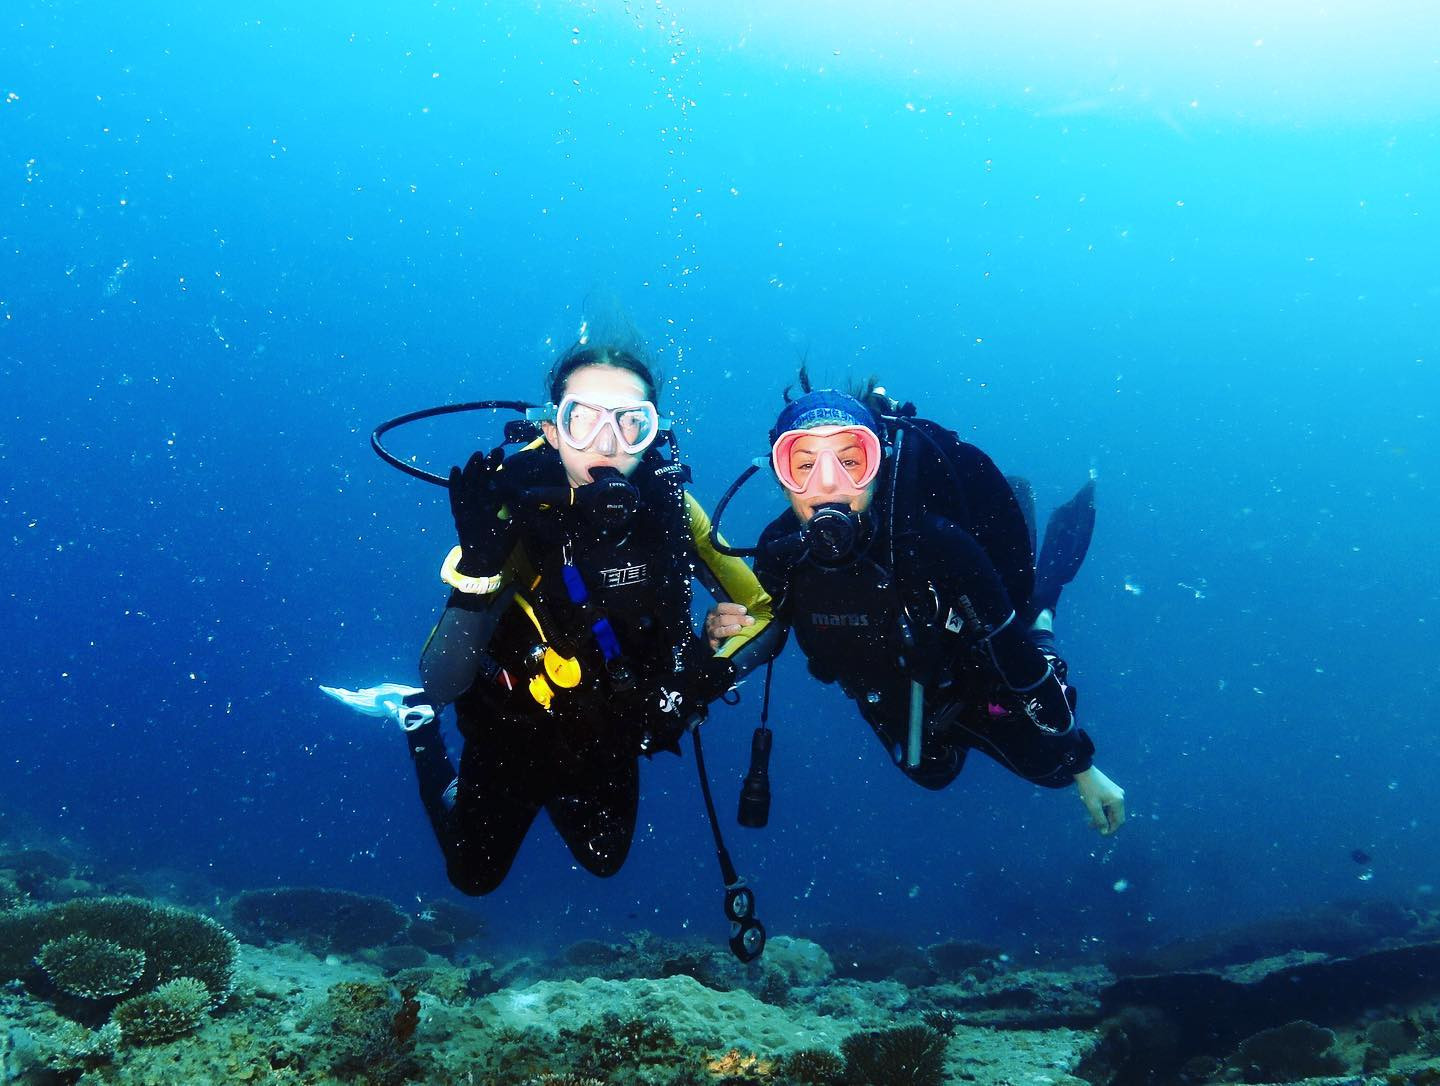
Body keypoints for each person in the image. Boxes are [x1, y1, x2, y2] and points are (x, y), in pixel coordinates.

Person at [327, 340, 773, 896]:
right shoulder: (513, 513)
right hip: (509, 729)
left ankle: (555, 788)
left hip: (609, 727)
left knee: (606, 860)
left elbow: (763, 613)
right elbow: (441, 681)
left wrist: (709, 669)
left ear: (652, 434)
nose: (607, 442)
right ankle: (417, 730)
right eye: (582, 420)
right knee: (473, 877)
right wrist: (480, 570)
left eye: (631, 422)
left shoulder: (673, 512)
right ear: (553, 431)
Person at [705, 374, 1125, 836]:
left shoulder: (935, 545)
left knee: (1053, 770)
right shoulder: (779, 553)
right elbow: (763, 625)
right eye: (803, 465)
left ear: (879, 464)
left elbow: (1012, 656)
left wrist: (1083, 765)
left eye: (851, 461)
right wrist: (718, 632)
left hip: (973, 681)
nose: (829, 485)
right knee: (931, 774)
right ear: (781, 479)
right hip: (892, 696)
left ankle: (1041, 606)